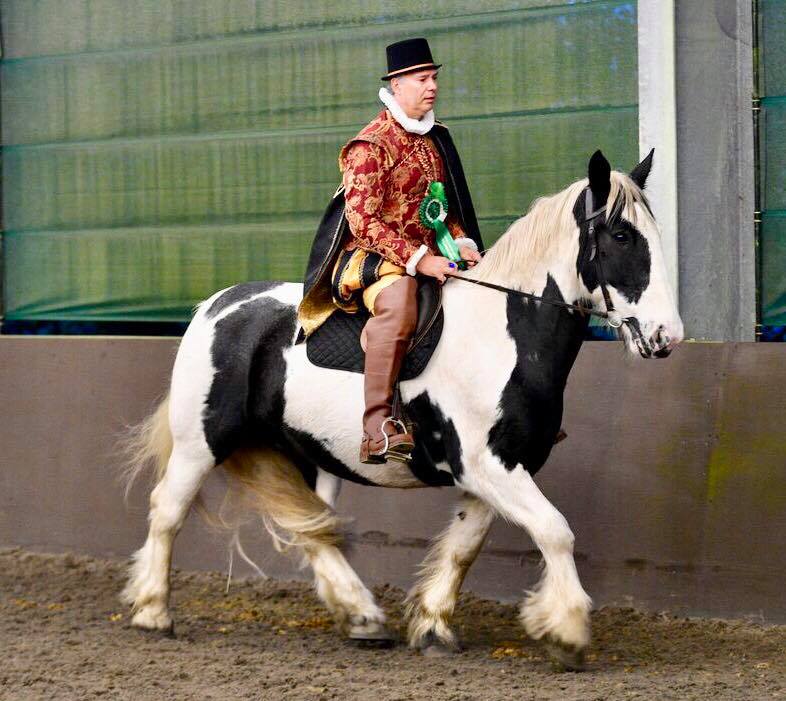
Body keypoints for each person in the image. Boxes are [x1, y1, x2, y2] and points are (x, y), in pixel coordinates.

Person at [298, 38, 483, 464]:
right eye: (422, 78)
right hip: (370, 258)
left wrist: (462, 245)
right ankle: (377, 426)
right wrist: (420, 259)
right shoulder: (370, 146)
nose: (432, 85)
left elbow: (440, 209)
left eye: (434, 77)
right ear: (397, 84)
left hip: (427, 251)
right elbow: (363, 224)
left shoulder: (433, 140)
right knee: (399, 301)